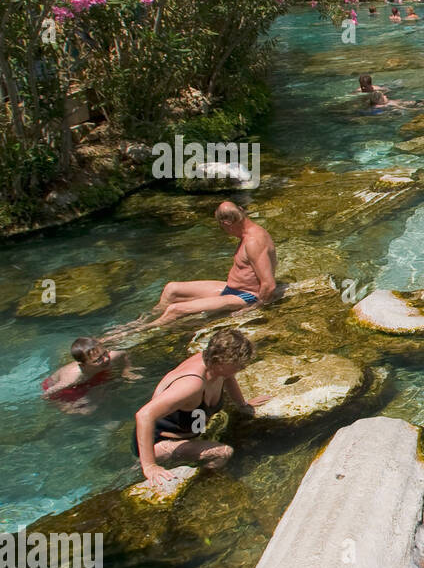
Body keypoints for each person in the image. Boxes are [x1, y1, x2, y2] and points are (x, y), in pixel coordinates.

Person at [133, 328, 269, 489]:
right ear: (221, 361)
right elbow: (144, 415)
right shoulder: (192, 384)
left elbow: (229, 378)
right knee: (223, 452)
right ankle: (202, 487)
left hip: (187, 435)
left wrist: (242, 404)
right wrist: (149, 466)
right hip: (160, 444)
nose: (243, 368)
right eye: (239, 365)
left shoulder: (216, 368)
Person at [142, 203, 277, 328]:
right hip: (232, 289)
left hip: (246, 296)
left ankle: (139, 332)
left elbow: (269, 285)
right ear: (241, 210)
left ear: (227, 223)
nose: (224, 230)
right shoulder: (247, 235)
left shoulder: (254, 242)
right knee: (172, 289)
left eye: (222, 227)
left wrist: (254, 308)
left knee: (176, 310)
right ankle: (141, 321)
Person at [42, 337, 141, 414]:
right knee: (88, 410)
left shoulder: (111, 357)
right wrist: (64, 407)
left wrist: (127, 370)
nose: (106, 359)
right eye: (97, 360)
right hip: (65, 388)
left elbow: (124, 354)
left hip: (92, 375)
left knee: (107, 390)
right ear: (83, 364)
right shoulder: (73, 378)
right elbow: (47, 394)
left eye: (105, 353)